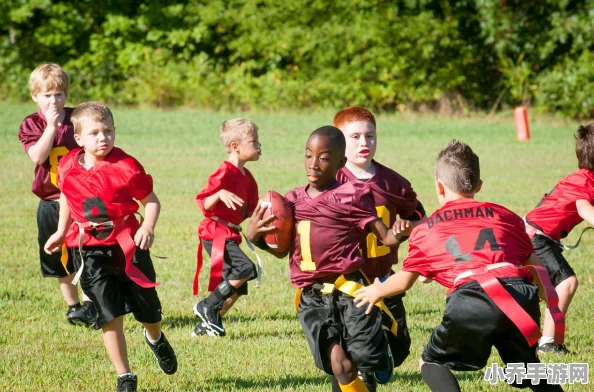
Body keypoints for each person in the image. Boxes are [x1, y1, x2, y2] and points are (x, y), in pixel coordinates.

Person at [353, 140, 565, 392]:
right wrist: (542, 290)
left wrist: (376, 291)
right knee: (528, 369)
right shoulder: (505, 215)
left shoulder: (427, 228)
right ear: (478, 186)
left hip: (472, 299)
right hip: (519, 295)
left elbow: (404, 280)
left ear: (439, 187)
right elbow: (534, 263)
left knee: (431, 362)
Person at [247, 126, 406, 392]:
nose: (314, 164)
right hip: (311, 296)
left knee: (365, 357)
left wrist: (399, 234)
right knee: (340, 366)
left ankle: (381, 349)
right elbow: (282, 251)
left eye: (323, 158)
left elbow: (385, 237)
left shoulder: (351, 196)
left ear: (340, 163)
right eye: (309, 156)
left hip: (351, 289)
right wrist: (255, 237)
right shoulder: (292, 201)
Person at [44, 102, 177, 392]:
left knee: (149, 311)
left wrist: (147, 226)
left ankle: (154, 338)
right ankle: (124, 376)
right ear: (78, 139)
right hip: (90, 250)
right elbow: (67, 195)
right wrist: (61, 230)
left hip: (127, 244)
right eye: (94, 133)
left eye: (108, 131)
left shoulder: (126, 166)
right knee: (108, 313)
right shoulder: (67, 165)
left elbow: (151, 200)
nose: (103, 138)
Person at [333, 107, 425, 389]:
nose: (364, 143)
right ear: (339, 141)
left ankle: (378, 361)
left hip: (384, 275)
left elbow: (417, 215)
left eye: (370, 136)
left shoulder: (393, 182)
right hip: (347, 280)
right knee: (352, 354)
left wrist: (405, 228)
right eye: (355, 136)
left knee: (398, 350)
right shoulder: (331, 181)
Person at [18, 63, 96, 326]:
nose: (54, 100)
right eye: (47, 95)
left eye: (59, 94)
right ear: (35, 96)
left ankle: (91, 304)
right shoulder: (32, 123)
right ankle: (74, 307)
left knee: (87, 253)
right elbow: (38, 157)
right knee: (59, 257)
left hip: (81, 201)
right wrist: (51, 127)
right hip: (51, 201)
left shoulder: (78, 120)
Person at [524, 124, 594, 354]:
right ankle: (548, 343)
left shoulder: (585, 177)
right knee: (566, 283)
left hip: (534, 234)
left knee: (540, 292)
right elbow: (584, 209)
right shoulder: (583, 183)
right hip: (536, 237)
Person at [192, 118, 262, 337]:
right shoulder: (224, 172)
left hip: (230, 234)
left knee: (238, 284)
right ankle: (206, 306)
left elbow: (252, 211)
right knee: (245, 269)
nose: (260, 145)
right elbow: (203, 203)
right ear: (236, 147)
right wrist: (219, 193)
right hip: (215, 234)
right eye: (254, 141)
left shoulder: (248, 178)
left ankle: (208, 325)